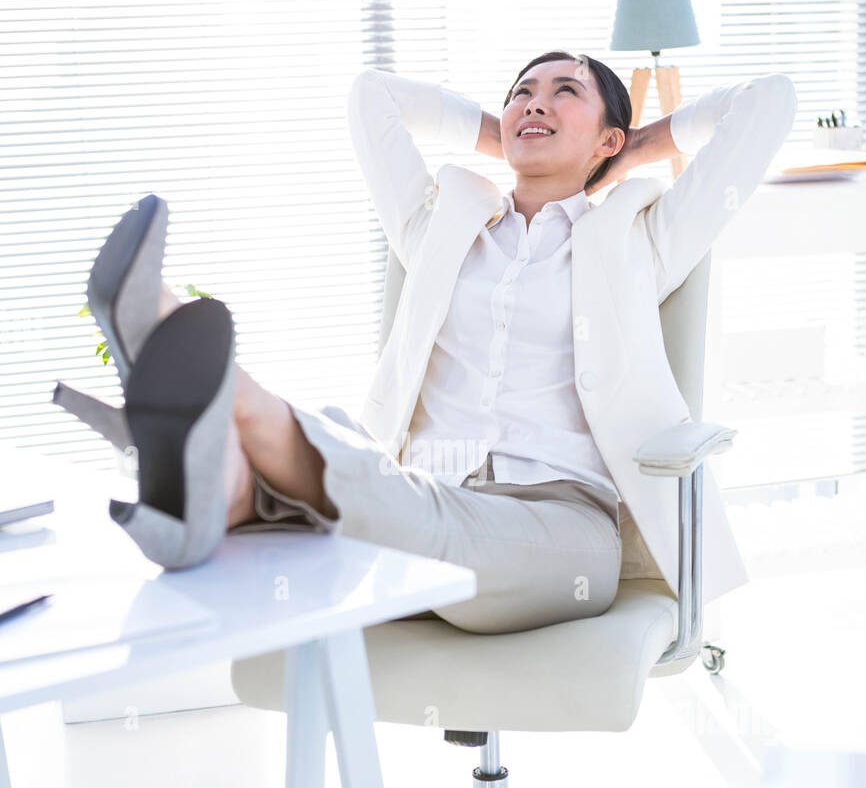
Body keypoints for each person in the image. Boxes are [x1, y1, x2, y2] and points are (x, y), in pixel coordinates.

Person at [55, 50, 798, 632]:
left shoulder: (641, 238)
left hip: (563, 530)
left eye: (564, 90)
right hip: (425, 486)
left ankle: (229, 412)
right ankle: (227, 491)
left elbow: (769, 102)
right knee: (391, 481)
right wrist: (515, 131)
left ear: (608, 133)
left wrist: (628, 151)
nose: (534, 99)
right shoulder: (439, 225)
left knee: (411, 508)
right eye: (521, 91)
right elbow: (370, 96)